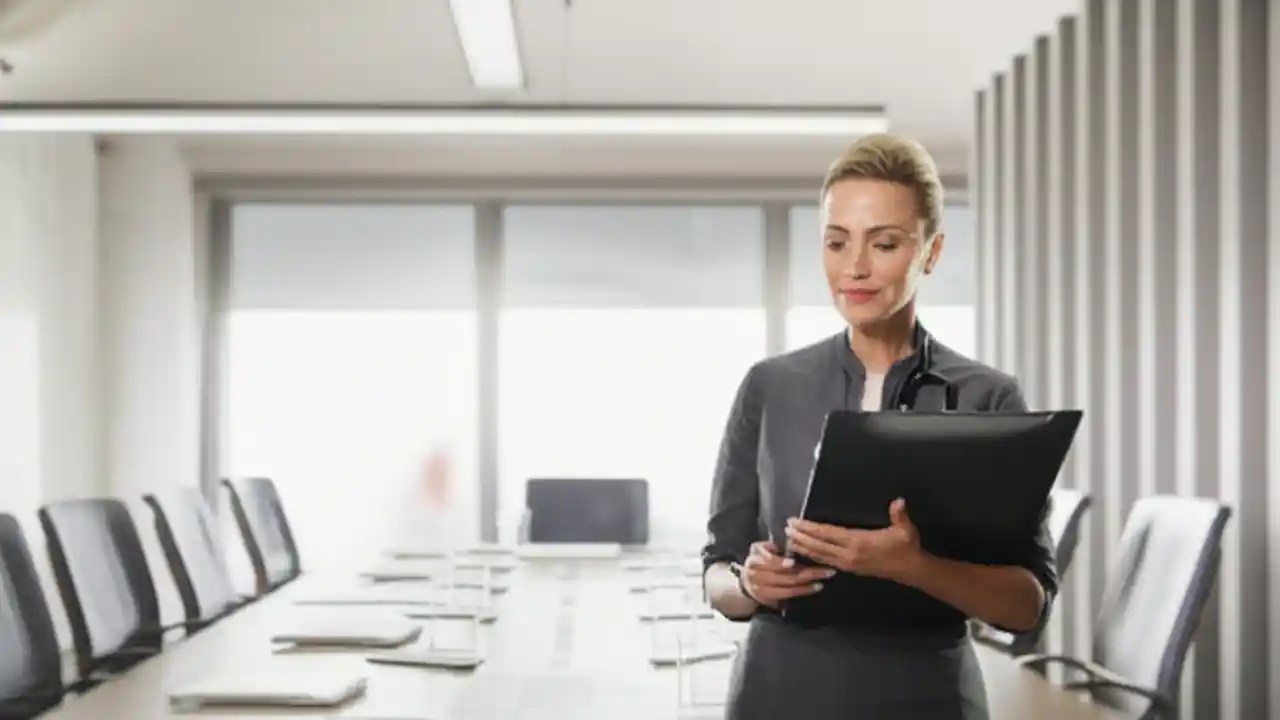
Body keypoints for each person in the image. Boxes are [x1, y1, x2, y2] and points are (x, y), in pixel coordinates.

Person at [701, 133, 1057, 720]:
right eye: (837, 243)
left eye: (885, 243)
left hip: (929, 695)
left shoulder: (988, 397)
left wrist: (915, 567)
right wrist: (749, 585)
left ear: (931, 253)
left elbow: (1026, 607)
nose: (856, 267)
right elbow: (717, 567)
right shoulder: (769, 385)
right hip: (781, 691)